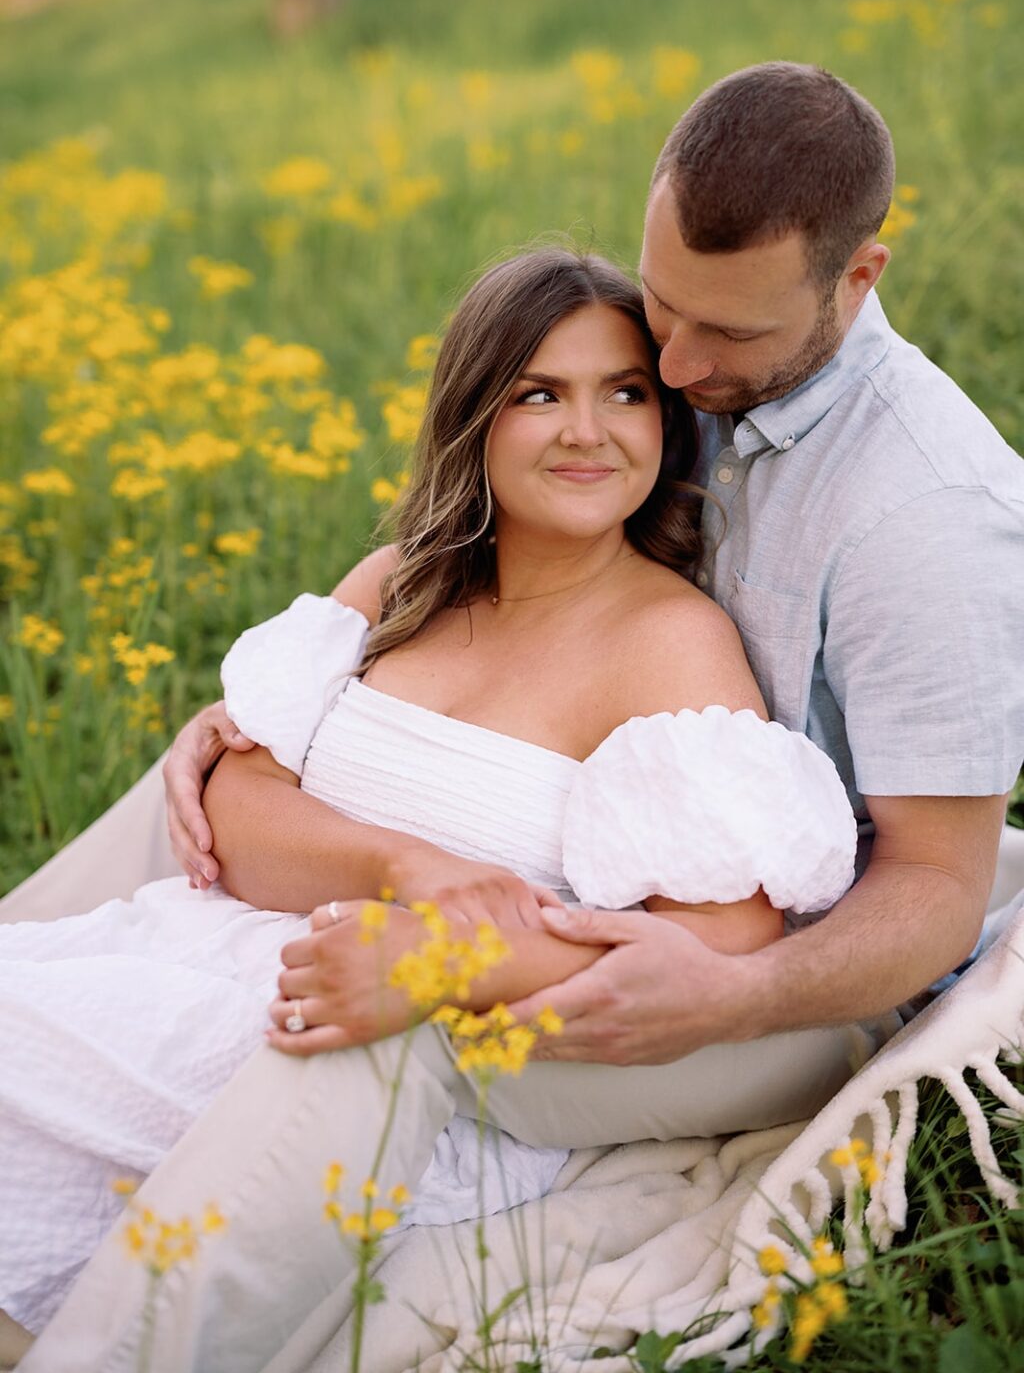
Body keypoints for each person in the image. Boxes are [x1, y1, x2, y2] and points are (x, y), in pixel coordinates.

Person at [0, 249, 881, 1367]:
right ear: (475, 414)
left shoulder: (666, 645)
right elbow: (239, 802)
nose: (588, 431)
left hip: (396, 1055)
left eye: (624, 393)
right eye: (538, 395)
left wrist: (448, 953)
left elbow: (712, 950)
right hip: (210, 952)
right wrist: (403, 868)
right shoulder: (405, 579)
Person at [168, 61, 1024, 1069]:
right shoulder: (664, 392)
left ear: (857, 279)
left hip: (783, 979)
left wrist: (736, 995)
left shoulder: (931, 514)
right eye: (664, 304)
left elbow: (932, 886)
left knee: (321, 1057)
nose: (673, 370)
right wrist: (267, 725)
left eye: (729, 330)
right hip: (573, 883)